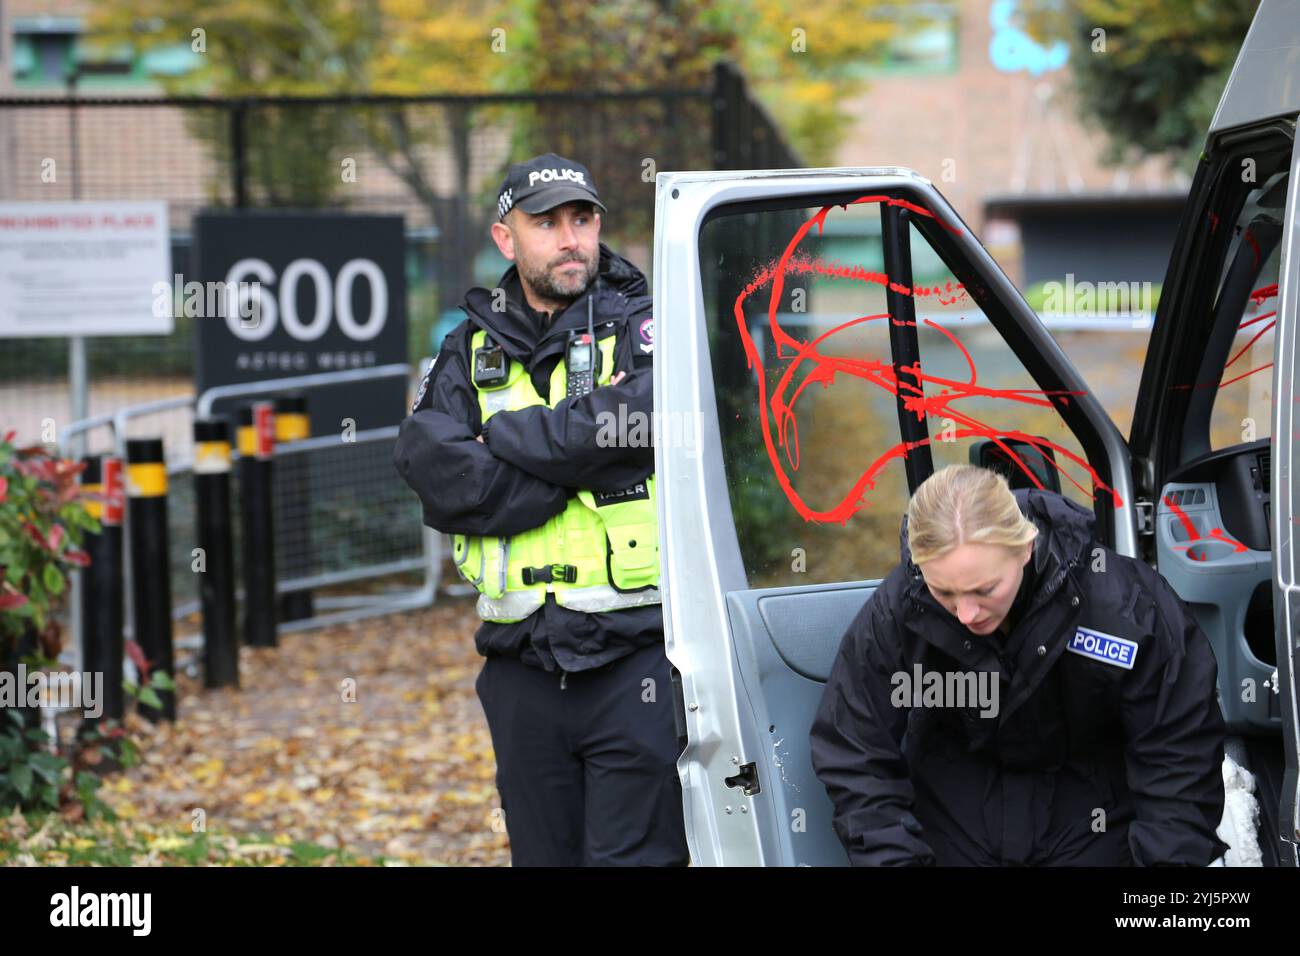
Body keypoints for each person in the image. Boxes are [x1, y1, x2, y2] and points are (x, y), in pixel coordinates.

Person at [393, 153, 688, 866]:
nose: (570, 238)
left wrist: (505, 435)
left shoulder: (649, 326)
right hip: (521, 667)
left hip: (635, 659)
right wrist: (575, 466)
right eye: (547, 222)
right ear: (506, 239)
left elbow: (646, 418)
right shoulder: (466, 348)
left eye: (582, 219)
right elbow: (435, 473)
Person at [809, 463, 1229, 866]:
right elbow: (854, 745)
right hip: (954, 819)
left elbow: (1178, 749)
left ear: (1025, 548)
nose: (966, 614)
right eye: (945, 593)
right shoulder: (900, 607)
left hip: (1090, 816)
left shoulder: (1122, 606)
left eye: (985, 588)